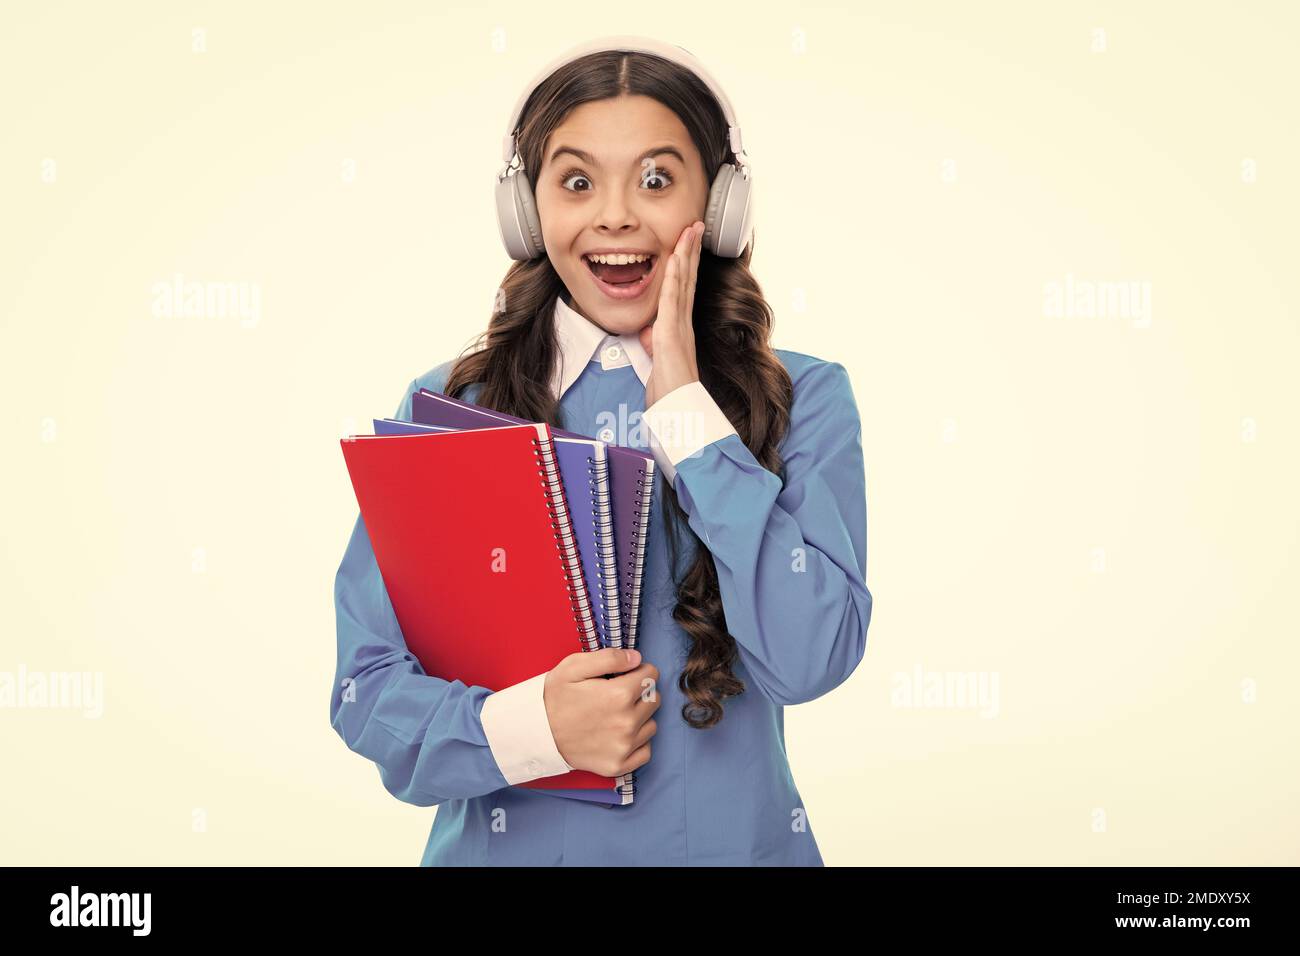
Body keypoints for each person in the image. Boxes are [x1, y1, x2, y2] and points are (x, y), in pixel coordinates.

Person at [331, 35, 873, 866]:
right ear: (527, 209)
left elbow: (812, 659)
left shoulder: (804, 399)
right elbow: (366, 690)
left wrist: (691, 421)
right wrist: (531, 732)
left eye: (656, 179)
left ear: (720, 204)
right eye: (577, 181)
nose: (616, 215)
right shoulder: (450, 407)